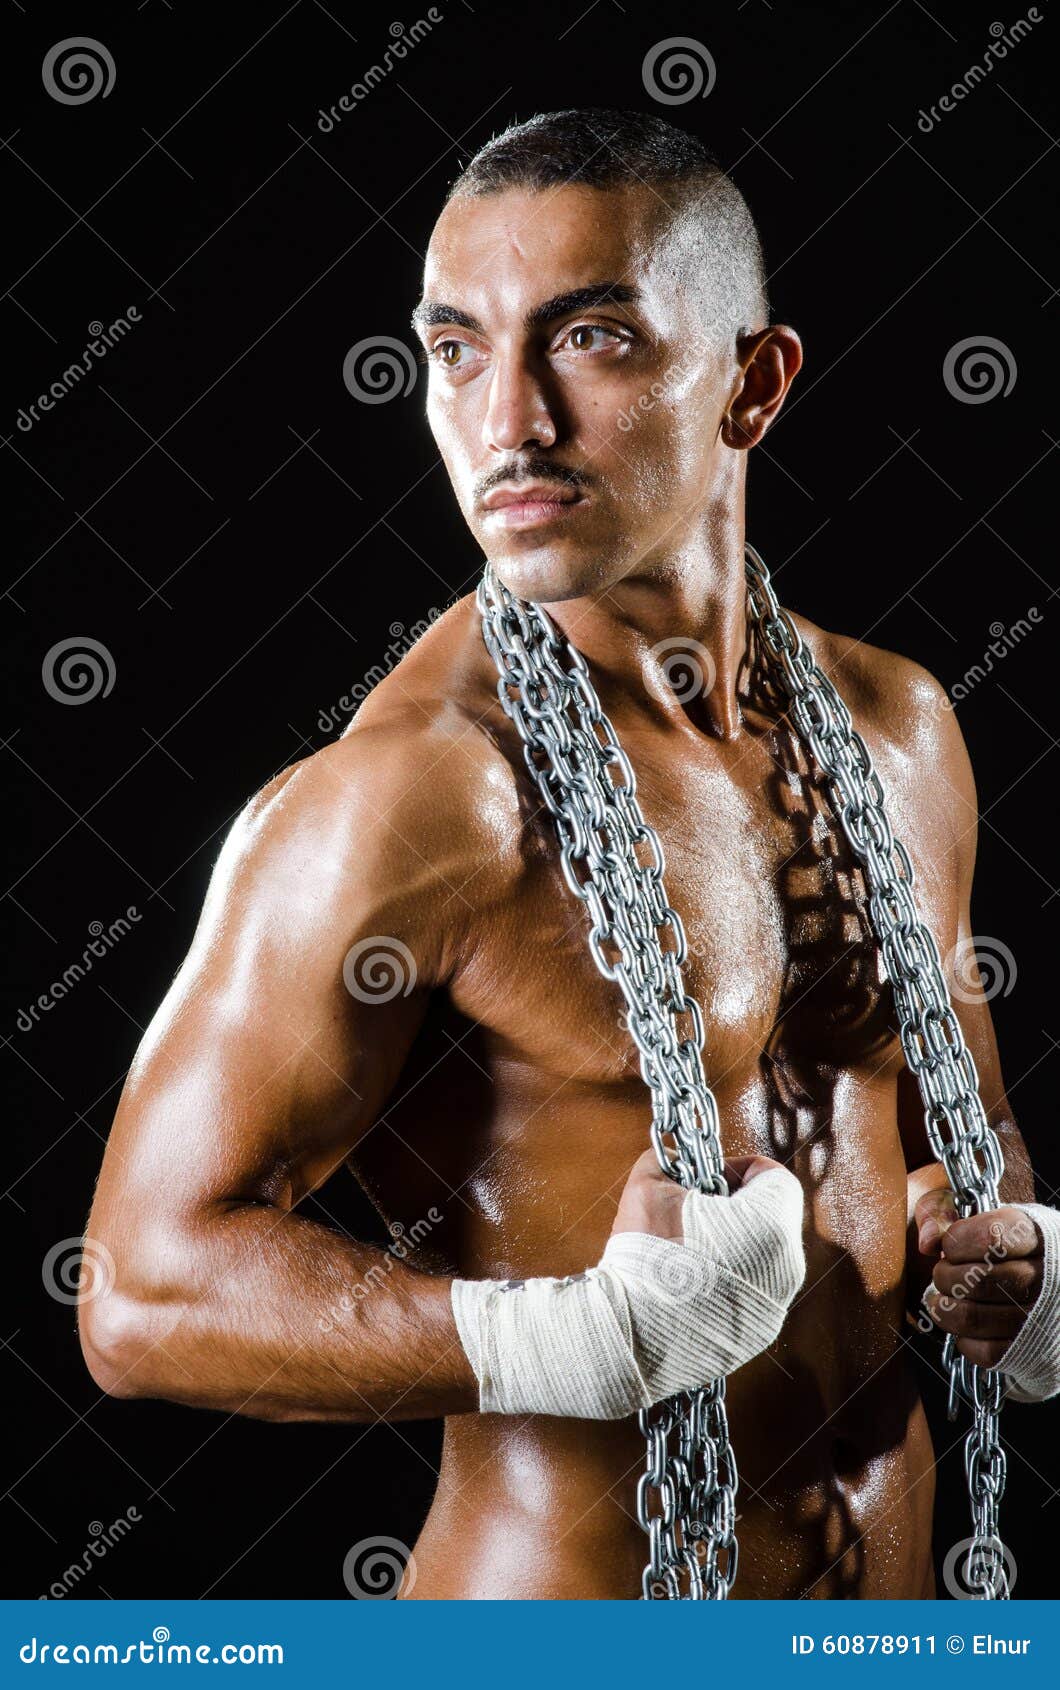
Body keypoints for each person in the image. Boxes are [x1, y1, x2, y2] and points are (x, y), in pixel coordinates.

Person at [79, 108, 1057, 1600]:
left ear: (753, 380)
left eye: (589, 339)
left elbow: (958, 1137)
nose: (507, 421)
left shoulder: (901, 728)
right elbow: (142, 1293)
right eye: (457, 349)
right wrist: (591, 1335)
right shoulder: (419, 796)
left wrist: (997, 1251)